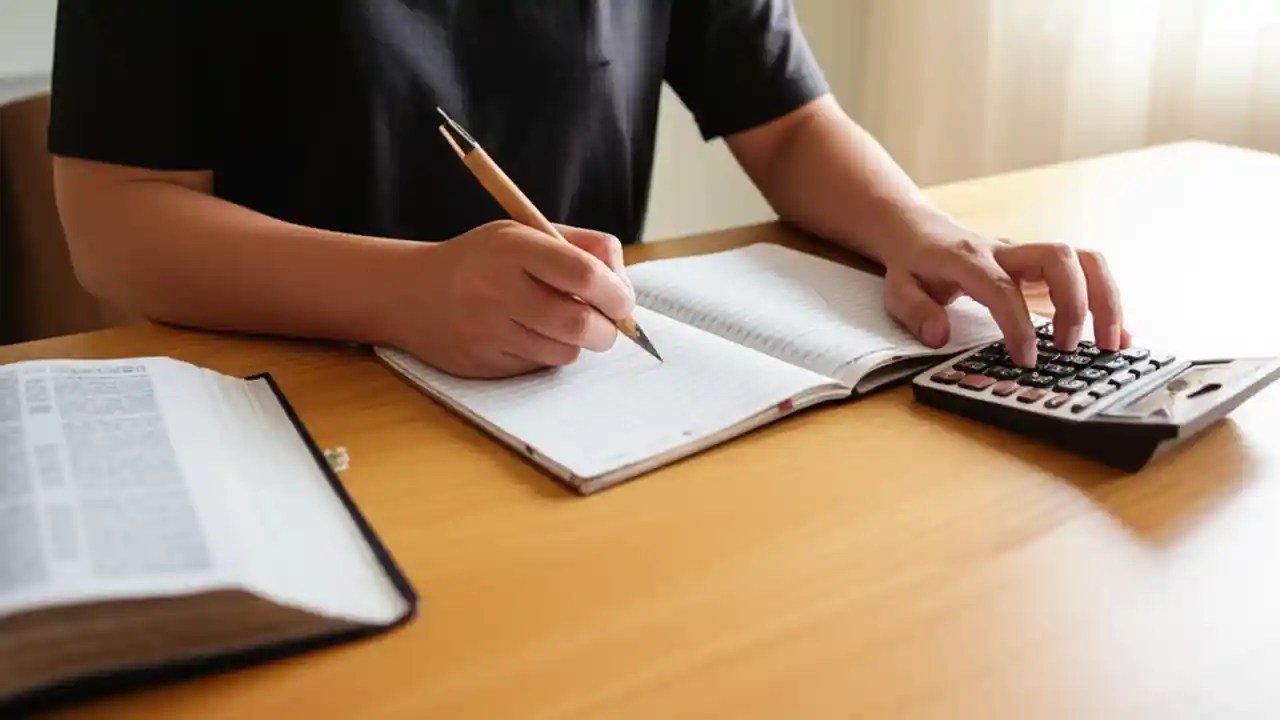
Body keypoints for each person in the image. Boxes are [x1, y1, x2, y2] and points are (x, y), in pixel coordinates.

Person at [48, 2, 1126, 379]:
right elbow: (116, 221)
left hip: (575, 385)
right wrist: (405, 293)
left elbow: (787, 119)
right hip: (289, 398)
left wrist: (917, 228)